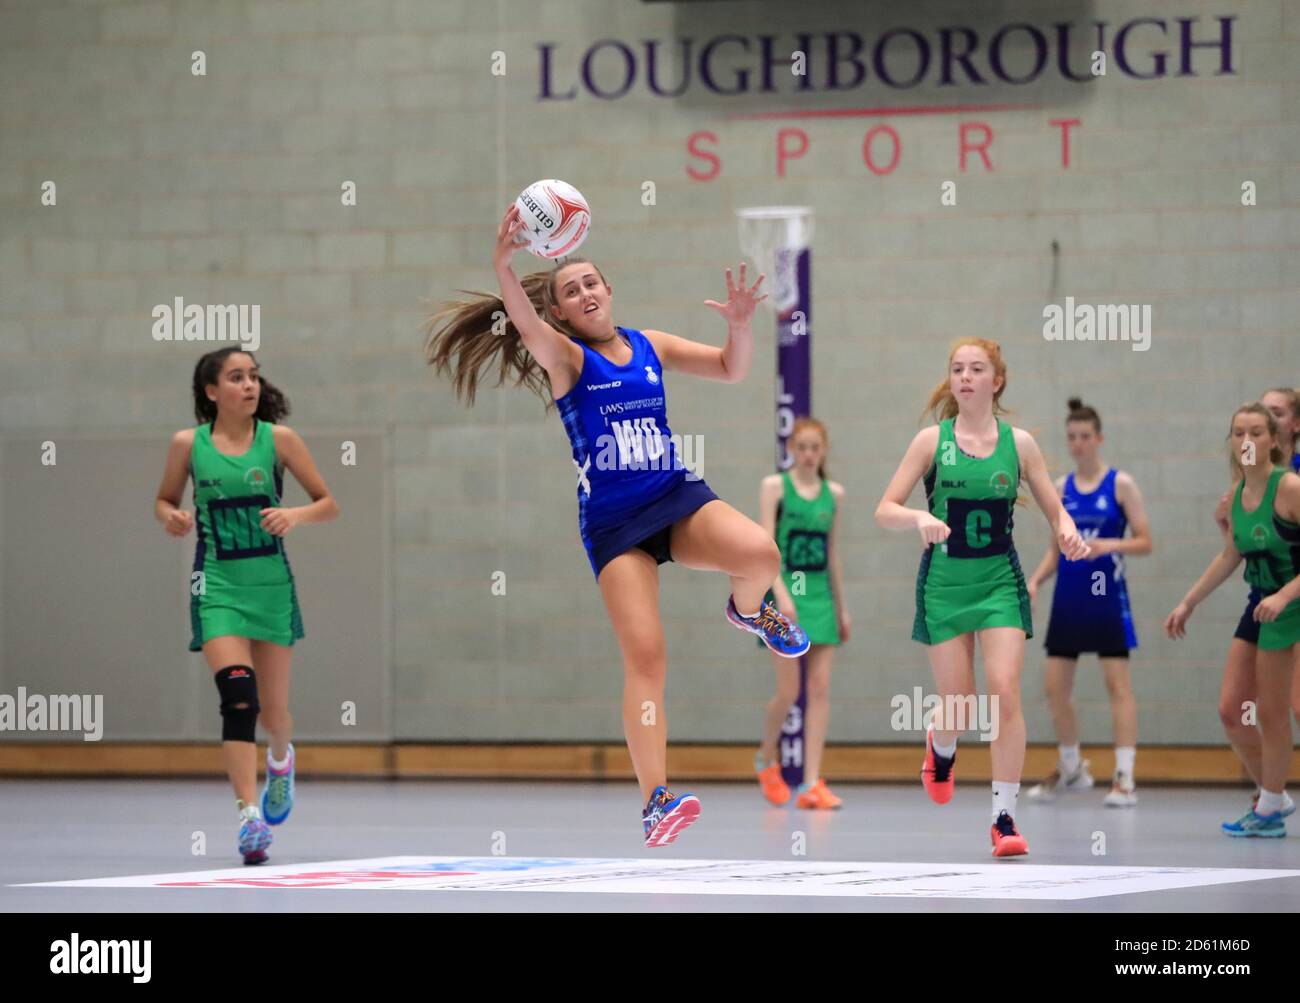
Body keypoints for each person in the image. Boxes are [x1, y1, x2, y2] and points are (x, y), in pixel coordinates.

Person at [422, 204, 811, 847]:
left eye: (591, 283)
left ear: (608, 290)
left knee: (761, 555)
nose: (584, 294)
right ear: (563, 315)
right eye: (570, 292)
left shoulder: (649, 344)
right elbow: (522, 323)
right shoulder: (566, 358)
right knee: (647, 655)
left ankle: (748, 612)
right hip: (614, 521)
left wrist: (741, 327)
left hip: (673, 493)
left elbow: (730, 368)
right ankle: (656, 799)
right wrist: (503, 266)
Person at [875, 338, 1089, 857]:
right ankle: (941, 746)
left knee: (1005, 690)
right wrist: (917, 517)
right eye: (957, 369)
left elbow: (1055, 508)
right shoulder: (930, 442)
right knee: (959, 705)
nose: (966, 376)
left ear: (997, 381)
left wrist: (1067, 530)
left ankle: (1004, 818)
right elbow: (884, 508)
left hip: (999, 583)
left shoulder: (1020, 445)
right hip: (945, 585)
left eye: (977, 369)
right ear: (951, 382)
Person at [153, 348, 339, 863]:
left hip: (272, 588)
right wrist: (171, 517)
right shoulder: (187, 445)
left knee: (275, 715)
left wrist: (295, 516)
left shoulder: (277, 441)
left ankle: (281, 760)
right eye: (237, 378)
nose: (250, 385)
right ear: (212, 392)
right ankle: (248, 816)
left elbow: (329, 502)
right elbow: (164, 500)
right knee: (239, 700)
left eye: (254, 376)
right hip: (217, 587)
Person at [1025, 398, 1152, 807]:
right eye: (1071, 438)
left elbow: (1145, 541)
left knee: (1118, 686)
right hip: (1069, 599)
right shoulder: (1060, 488)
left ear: (1098, 439)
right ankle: (1072, 765)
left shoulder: (1120, 485)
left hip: (1106, 598)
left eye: (1084, 437)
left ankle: (1125, 778)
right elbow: (1054, 550)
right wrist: (1034, 580)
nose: (1078, 444)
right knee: (1054, 688)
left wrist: (1107, 545)